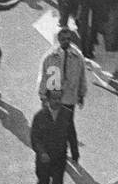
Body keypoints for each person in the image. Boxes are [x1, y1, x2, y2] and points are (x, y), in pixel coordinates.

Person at [36, 25, 86, 165]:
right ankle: (57, 152)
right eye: (63, 39)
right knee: (53, 126)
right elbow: (44, 76)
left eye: (68, 39)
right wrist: (43, 95)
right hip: (54, 97)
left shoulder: (77, 56)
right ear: (59, 39)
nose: (66, 41)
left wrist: (81, 93)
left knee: (68, 125)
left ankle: (74, 153)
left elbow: (82, 76)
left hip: (69, 96)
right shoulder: (51, 56)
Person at [30, 89, 72, 184]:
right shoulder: (39, 116)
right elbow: (35, 138)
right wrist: (41, 152)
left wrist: (75, 152)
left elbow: (71, 133)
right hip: (44, 159)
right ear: (48, 100)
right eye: (54, 98)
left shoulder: (67, 114)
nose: (57, 101)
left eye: (59, 98)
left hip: (59, 157)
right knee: (43, 183)